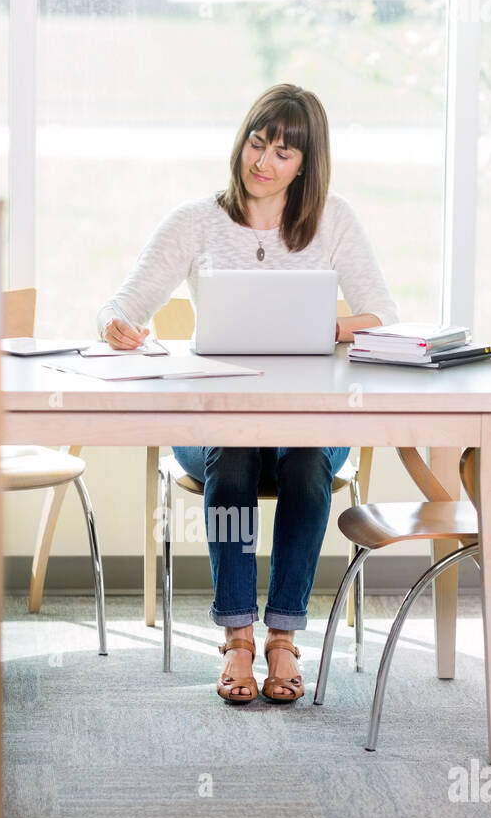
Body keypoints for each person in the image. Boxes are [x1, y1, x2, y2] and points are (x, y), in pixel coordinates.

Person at [96, 84, 398, 705]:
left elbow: (383, 317)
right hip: (216, 425)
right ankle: (237, 634)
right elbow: (119, 305)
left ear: (306, 165)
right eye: (257, 144)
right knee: (230, 454)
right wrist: (116, 327)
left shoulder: (332, 220)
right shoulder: (196, 222)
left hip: (304, 425)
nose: (263, 163)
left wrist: (321, 326)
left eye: (283, 153)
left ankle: (283, 635)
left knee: (308, 458)